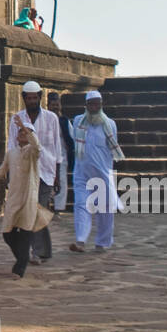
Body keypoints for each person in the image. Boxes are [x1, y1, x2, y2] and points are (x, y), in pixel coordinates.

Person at [0, 116, 53, 277]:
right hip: (14, 199)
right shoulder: (11, 153)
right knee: (8, 234)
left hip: (29, 200)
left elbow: (37, 147)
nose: (23, 134)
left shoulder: (33, 153)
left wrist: (26, 129)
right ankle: (22, 258)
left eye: (27, 132)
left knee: (25, 234)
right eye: (21, 132)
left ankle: (20, 267)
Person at [8, 80, 63, 264]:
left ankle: (38, 252)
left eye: (35, 98)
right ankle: (40, 251)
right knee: (30, 212)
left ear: (40, 97)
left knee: (38, 210)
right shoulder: (17, 119)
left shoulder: (51, 119)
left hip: (46, 171)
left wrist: (57, 174)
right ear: (24, 98)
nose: (32, 101)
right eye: (29, 98)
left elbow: (56, 148)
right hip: (24, 171)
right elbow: (12, 146)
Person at [70, 89, 125, 254]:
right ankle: (80, 241)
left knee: (105, 210)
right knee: (81, 206)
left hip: (102, 174)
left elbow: (111, 149)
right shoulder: (78, 121)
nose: (94, 107)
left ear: (101, 105)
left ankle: (102, 242)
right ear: (86, 105)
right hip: (82, 173)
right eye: (91, 104)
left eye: (97, 104)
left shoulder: (110, 124)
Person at [46, 91, 75, 214]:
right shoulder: (44, 119)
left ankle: (58, 209)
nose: (55, 107)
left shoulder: (64, 121)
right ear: (48, 106)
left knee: (62, 181)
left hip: (61, 156)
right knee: (45, 182)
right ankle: (45, 206)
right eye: (53, 105)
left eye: (57, 105)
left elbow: (71, 139)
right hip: (46, 156)